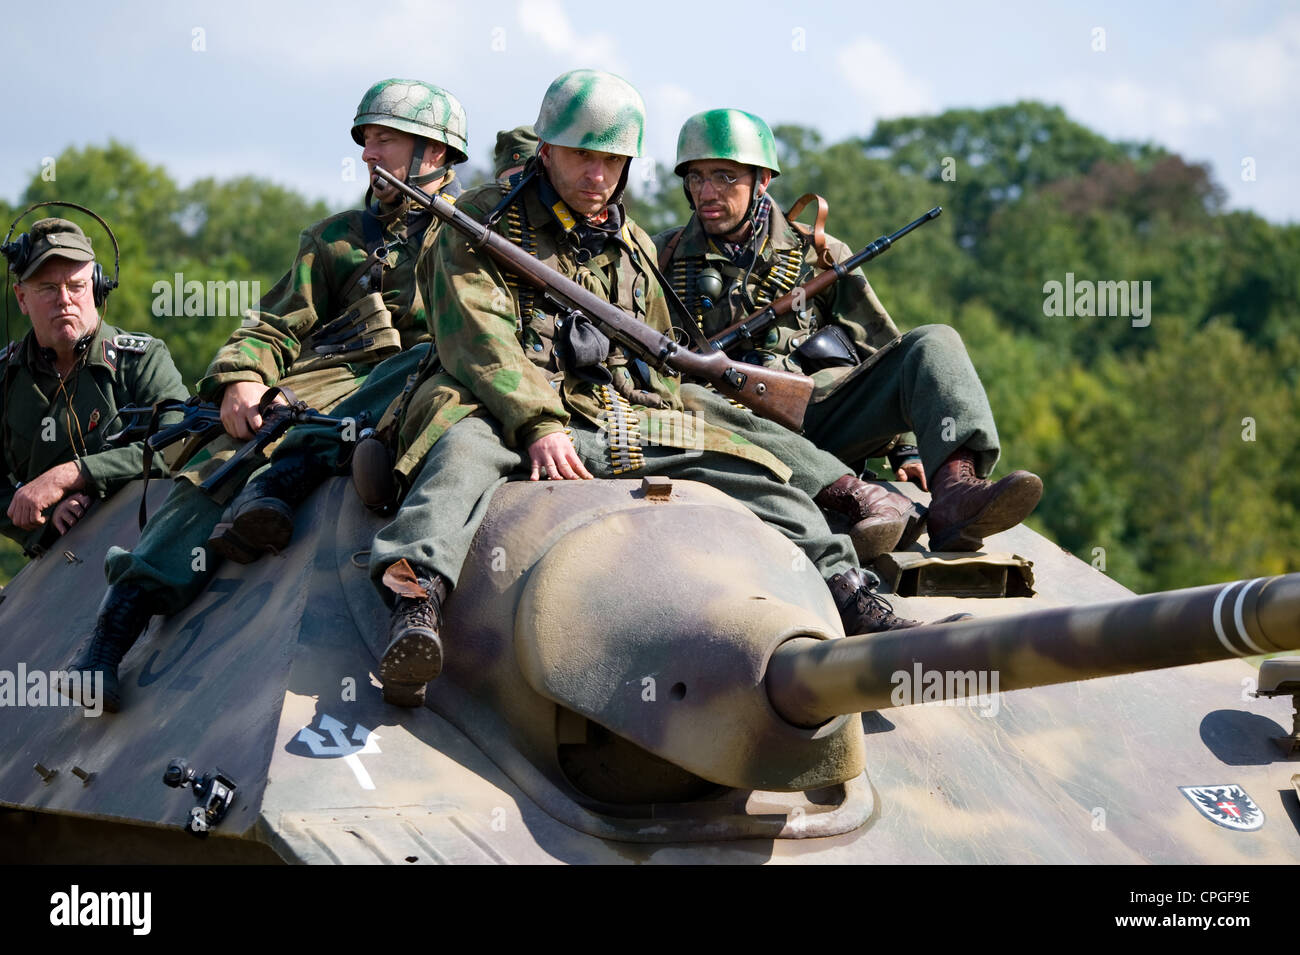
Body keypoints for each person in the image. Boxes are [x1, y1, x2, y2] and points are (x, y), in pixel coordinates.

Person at [367, 70, 960, 708]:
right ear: (546, 152)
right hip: (492, 401)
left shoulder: (633, 245)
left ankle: (853, 594)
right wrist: (537, 424)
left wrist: (686, 405)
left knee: (751, 466)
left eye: (612, 160)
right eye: (582, 156)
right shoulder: (477, 224)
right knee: (460, 456)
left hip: (611, 412)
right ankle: (416, 606)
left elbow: (658, 355)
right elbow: (478, 341)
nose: (598, 175)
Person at [63, 79, 468, 713]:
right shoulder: (338, 239)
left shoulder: (484, 242)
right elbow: (275, 323)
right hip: (325, 389)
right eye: (366, 141)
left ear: (435, 153)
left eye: (383, 141)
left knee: (425, 361)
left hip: (424, 392)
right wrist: (243, 377)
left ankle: (291, 476)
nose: (367, 154)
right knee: (223, 456)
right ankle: (114, 628)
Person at [656, 109, 1043, 553]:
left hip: (821, 417)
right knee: (689, 397)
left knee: (934, 342)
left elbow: (880, 352)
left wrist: (907, 451)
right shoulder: (660, 259)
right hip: (735, 434)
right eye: (696, 177)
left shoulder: (818, 254)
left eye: (725, 177)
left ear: (761, 179)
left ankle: (957, 492)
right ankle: (850, 499)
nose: (707, 192)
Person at [1, 216, 186, 557]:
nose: (65, 300)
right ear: (22, 298)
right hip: (59, 561)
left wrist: (73, 475)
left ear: (98, 288)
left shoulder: (140, 361)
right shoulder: (6, 378)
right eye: (47, 289)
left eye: (76, 286)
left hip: (146, 543)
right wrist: (46, 517)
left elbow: (182, 445)